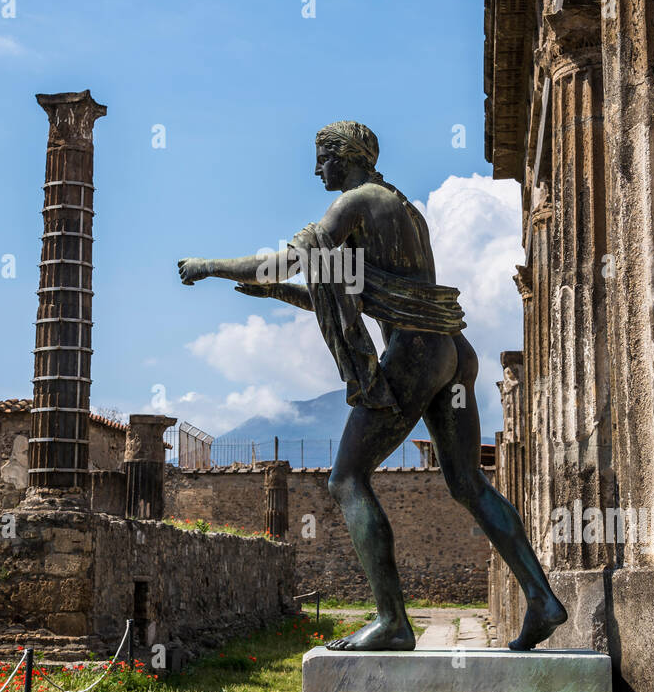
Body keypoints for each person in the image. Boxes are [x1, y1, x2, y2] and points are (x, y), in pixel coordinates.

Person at [178, 120, 566, 652]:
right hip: (453, 351)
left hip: (414, 354)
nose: (318, 170)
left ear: (345, 155)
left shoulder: (354, 204)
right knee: (468, 484)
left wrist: (210, 266)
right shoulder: (406, 209)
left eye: (322, 159)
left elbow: (286, 259)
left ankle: (394, 622)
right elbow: (358, 293)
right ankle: (542, 598)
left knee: (346, 480)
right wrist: (280, 297)